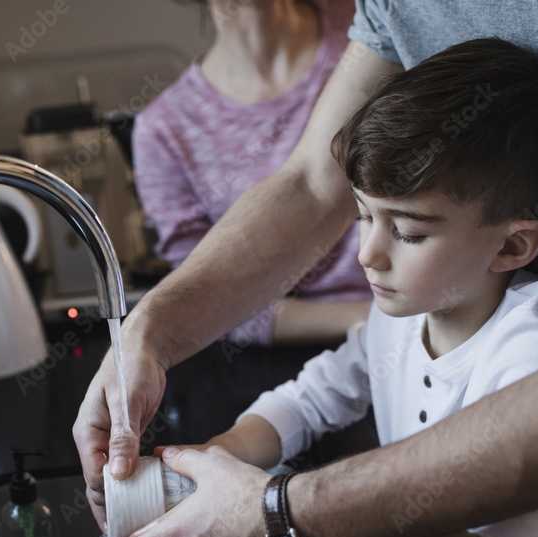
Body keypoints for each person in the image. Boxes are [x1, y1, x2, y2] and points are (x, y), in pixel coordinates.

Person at [74, 2, 538, 537]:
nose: (367, 256)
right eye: (362, 216)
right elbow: (314, 394)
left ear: (514, 246)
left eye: (408, 231)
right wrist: (208, 470)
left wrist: (289, 533)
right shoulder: (403, 314)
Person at [133, 0, 371, 346]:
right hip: (311, 359)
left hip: (441, 316)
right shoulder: (163, 129)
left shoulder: (368, 27)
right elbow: (209, 304)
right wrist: (374, 321)